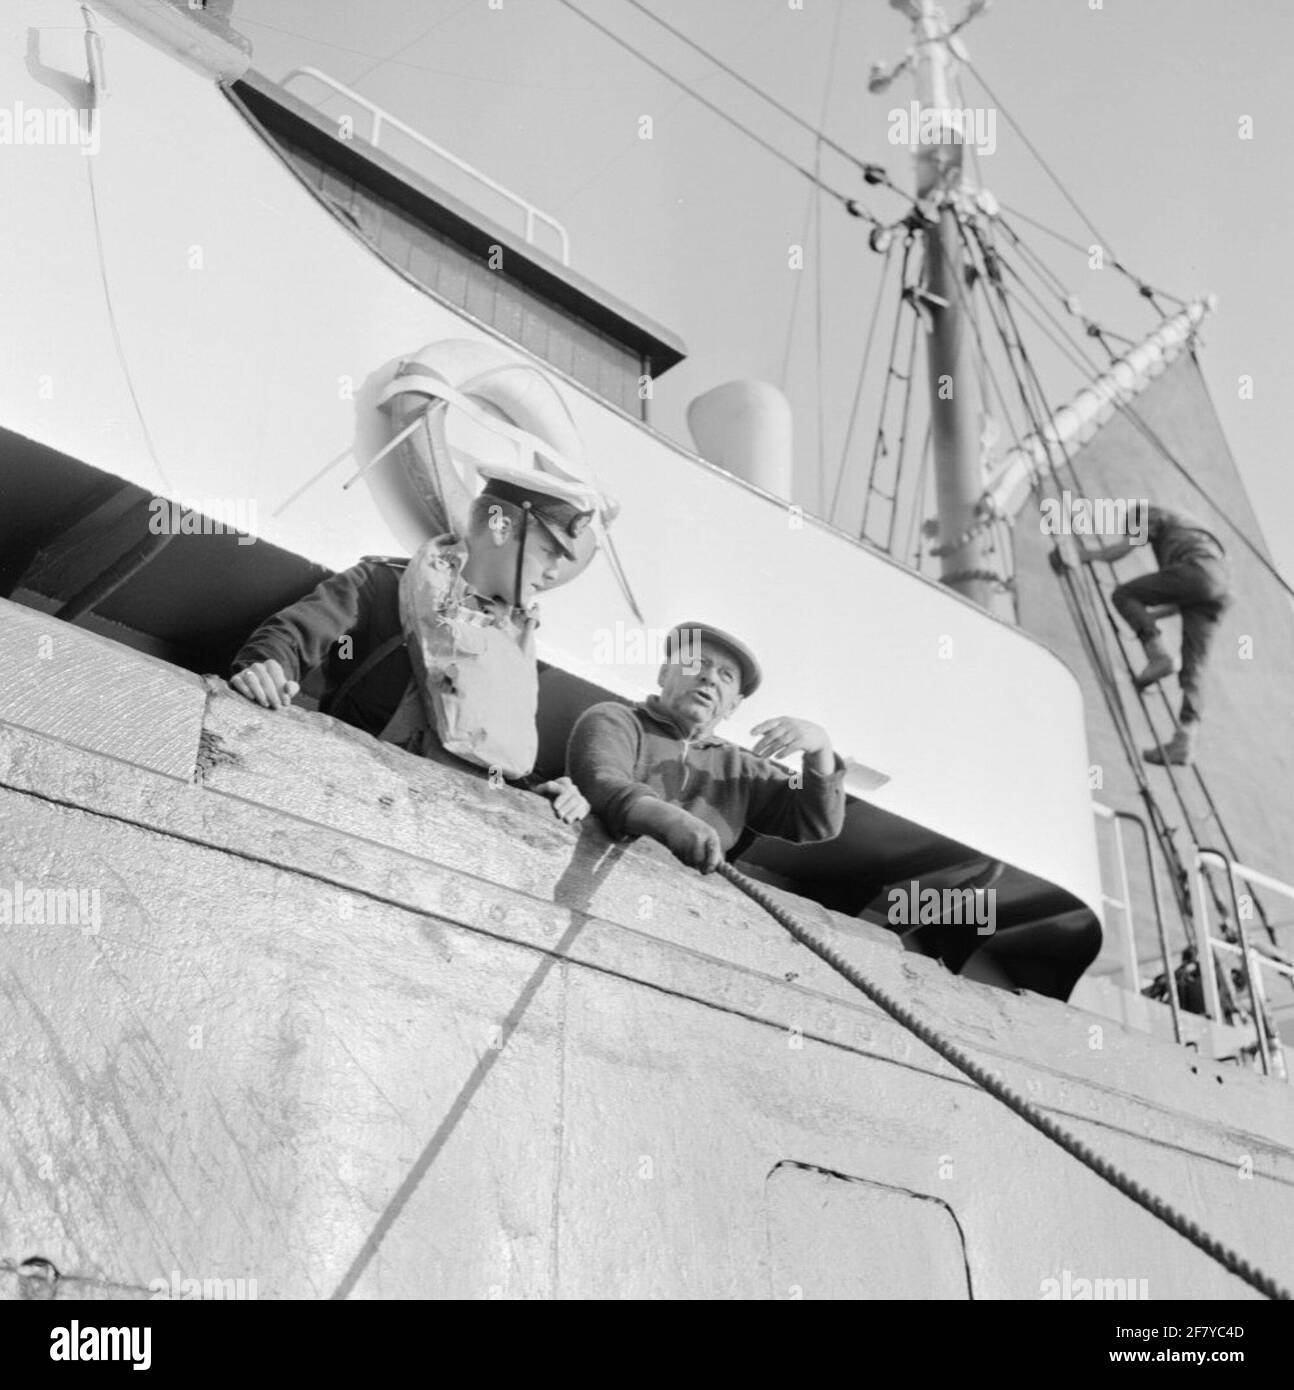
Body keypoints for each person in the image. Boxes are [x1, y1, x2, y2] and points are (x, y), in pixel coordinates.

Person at [229, 471, 597, 823]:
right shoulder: (385, 585)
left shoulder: (512, 640)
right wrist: (266, 666)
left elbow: (488, 754)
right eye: (549, 551)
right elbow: (289, 636)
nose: (553, 572)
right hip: (351, 800)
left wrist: (542, 795)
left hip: (458, 833)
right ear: (500, 527)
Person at [566, 622, 846, 872]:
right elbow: (602, 782)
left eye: (725, 675)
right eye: (696, 663)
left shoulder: (742, 770)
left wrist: (819, 749)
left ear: (733, 705)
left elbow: (811, 817)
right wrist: (672, 822)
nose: (709, 678)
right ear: (664, 674)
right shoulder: (616, 720)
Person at [1059, 502, 1232, 766]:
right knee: (1194, 668)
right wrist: (1148, 617)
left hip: (1196, 571)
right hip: (1220, 587)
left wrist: (1086, 555)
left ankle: (1158, 653)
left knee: (1123, 594)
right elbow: (1185, 598)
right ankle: (1185, 740)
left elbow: (1123, 549)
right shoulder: (1193, 530)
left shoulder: (1148, 513)